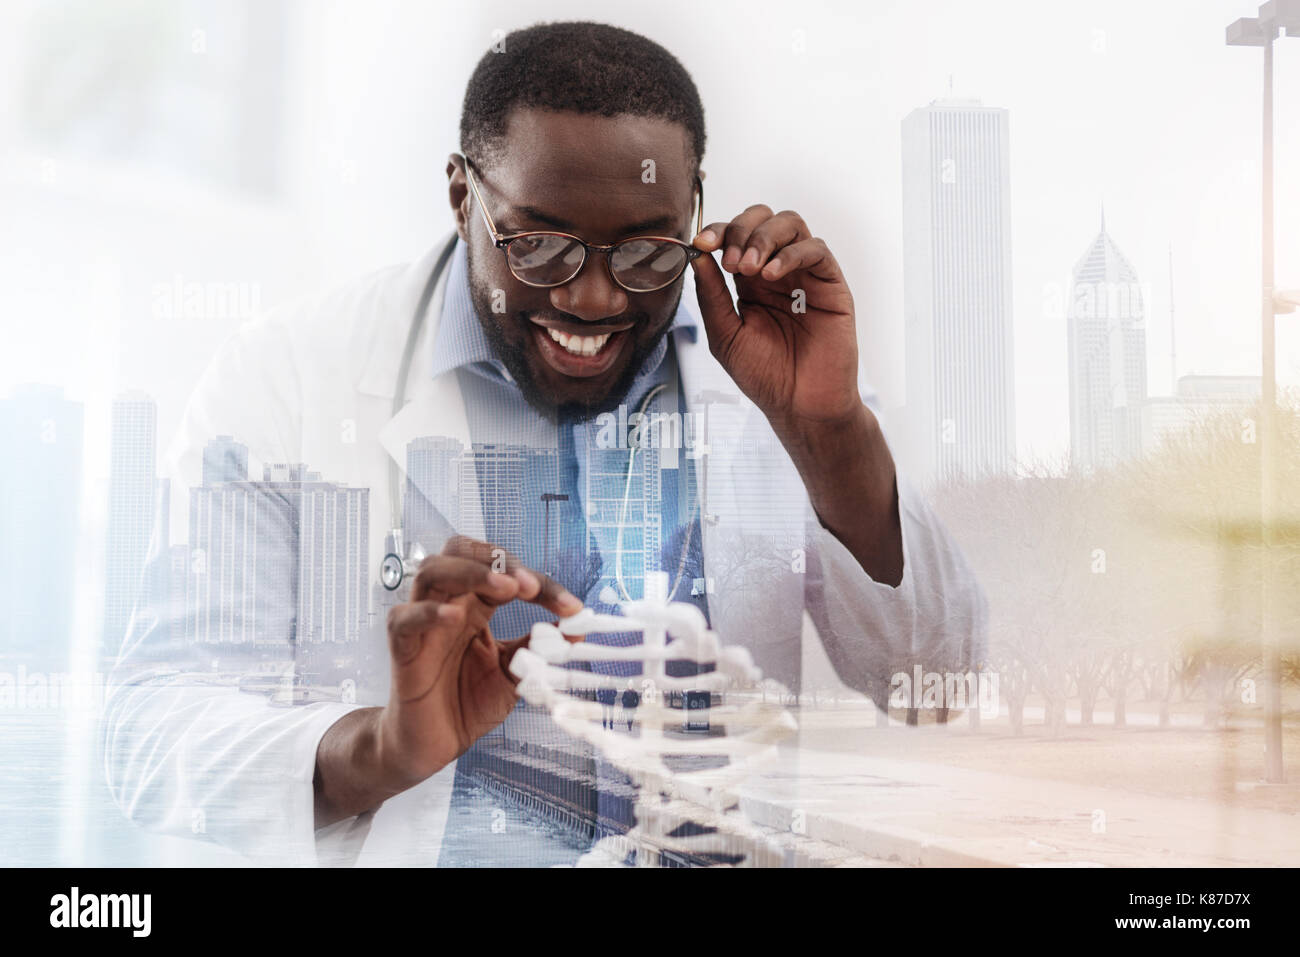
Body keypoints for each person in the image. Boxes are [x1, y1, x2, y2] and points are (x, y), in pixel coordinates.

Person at [104, 20, 986, 866]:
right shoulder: (284, 377)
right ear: (462, 196)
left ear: (696, 213)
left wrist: (827, 433)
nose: (596, 299)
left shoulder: (773, 378)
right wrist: (376, 747)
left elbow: (935, 685)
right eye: (540, 246)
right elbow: (152, 731)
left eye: (646, 252)